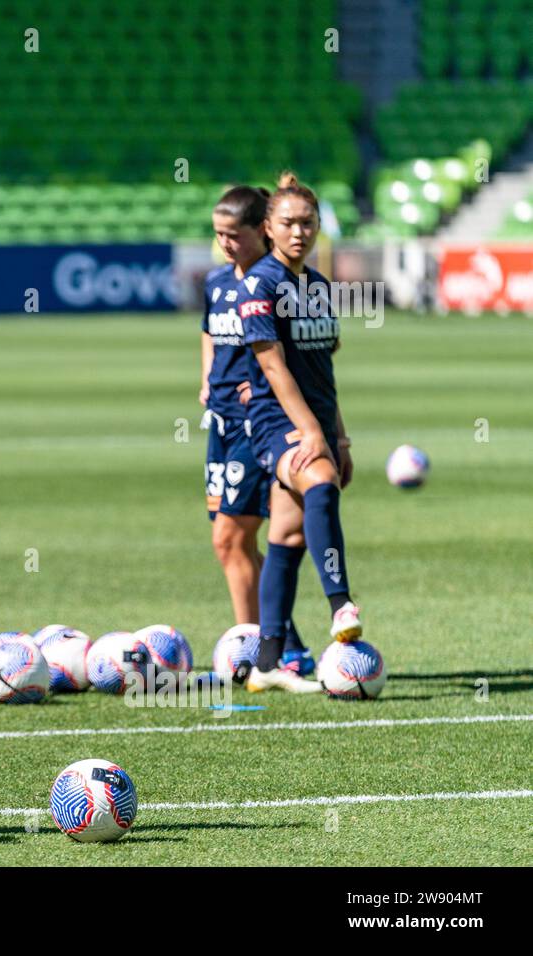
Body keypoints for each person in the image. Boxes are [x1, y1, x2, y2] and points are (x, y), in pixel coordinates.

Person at [237, 173, 360, 693]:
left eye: (307, 223)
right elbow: (273, 366)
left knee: (285, 536)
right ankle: (341, 606)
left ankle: (267, 661)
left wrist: (340, 435)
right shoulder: (259, 284)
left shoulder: (317, 286)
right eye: (287, 222)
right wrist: (312, 434)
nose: (298, 232)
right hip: (274, 420)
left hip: (316, 419)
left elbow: (321, 370)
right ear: (268, 227)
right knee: (321, 483)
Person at [201, 186, 312, 675]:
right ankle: (285, 644)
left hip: (256, 426)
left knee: (230, 538)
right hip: (220, 423)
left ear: (261, 231)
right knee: (230, 541)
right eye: (218, 235)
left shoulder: (273, 286)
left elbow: (294, 355)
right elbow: (210, 331)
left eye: (234, 235)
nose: (225, 243)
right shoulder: (218, 282)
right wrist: (206, 377)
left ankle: (255, 653)